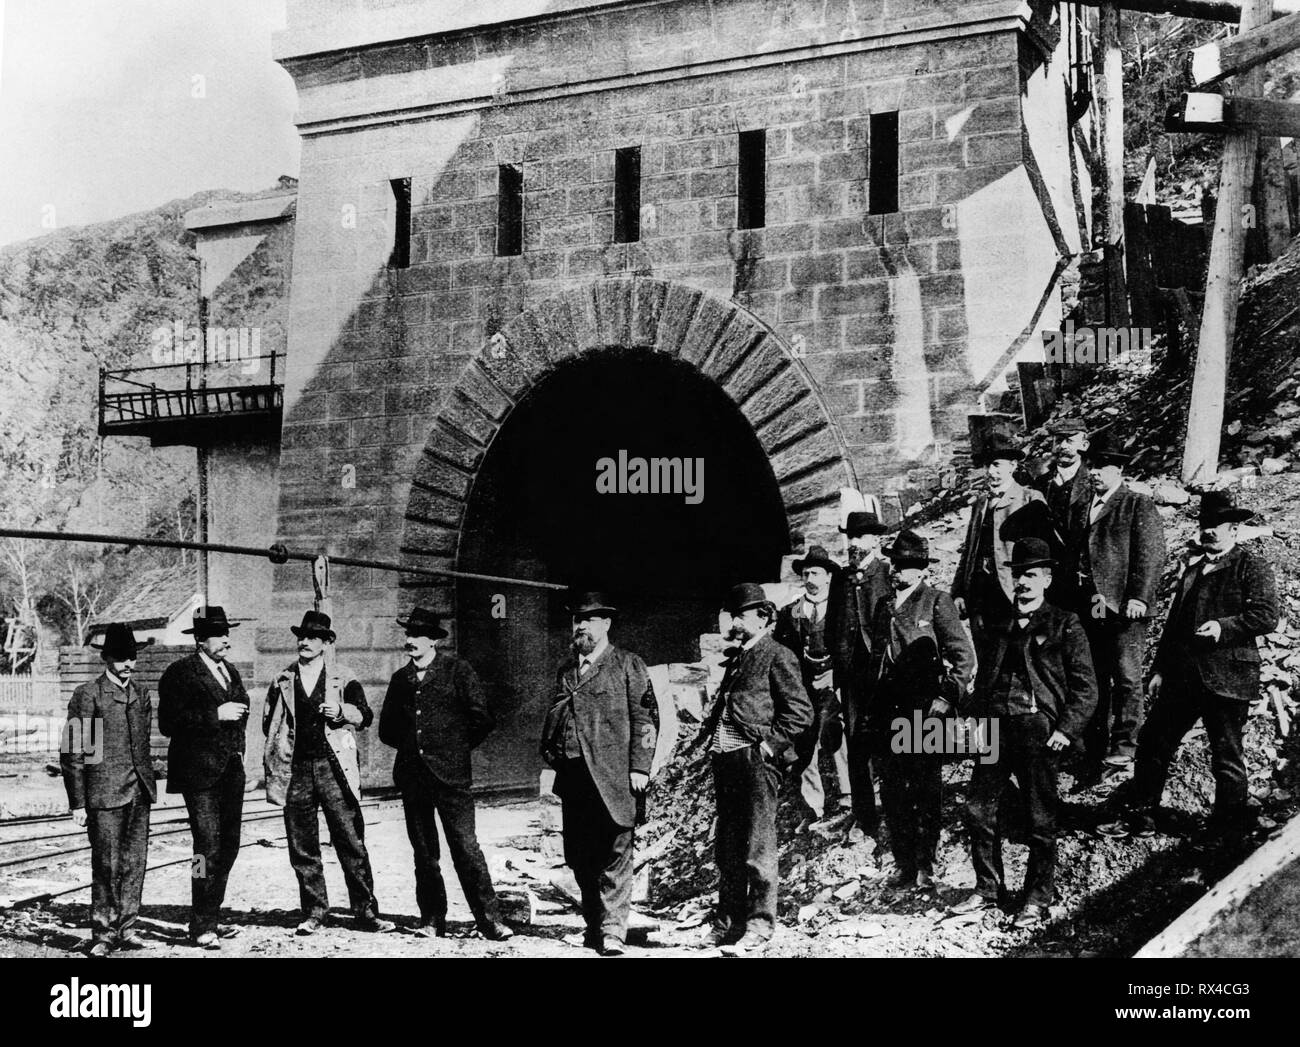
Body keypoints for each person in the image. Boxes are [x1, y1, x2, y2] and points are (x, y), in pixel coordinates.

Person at [1100, 491, 1279, 840]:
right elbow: (1175, 626)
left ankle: (1228, 828)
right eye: (1205, 525)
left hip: (1228, 677)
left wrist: (1223, 627)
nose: (1210, 531)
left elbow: (1265, 616)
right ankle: (1142, 817)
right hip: (1183, 678)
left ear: (1234, 529)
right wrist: (1159, 671)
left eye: (1218, 526)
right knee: (1153, 742)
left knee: (1226, 754)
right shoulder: (1194, 570)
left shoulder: (1251, 566)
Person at [948, 539, 1097, 928]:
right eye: (1018, 575)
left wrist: (1066, 729)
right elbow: (984, 683)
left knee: (1040, 818)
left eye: (1031, 575)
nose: (1023, 583)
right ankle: (987, 890)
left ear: (1047, 579)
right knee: (977, 810)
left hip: (1039, 730)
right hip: (995, 729)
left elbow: (1087, 688)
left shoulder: (1066, 623)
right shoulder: (999, 624)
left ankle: (1037, 898)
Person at [378, 607, 513, 941]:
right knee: (425, 854)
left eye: (418, 635)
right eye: (408, 635)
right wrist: (414, 750)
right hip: (413, 779)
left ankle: (489, 920)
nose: (410, 641)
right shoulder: (400, 679)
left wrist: (453, 749)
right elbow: (387, 731)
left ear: (433, 640)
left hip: (452, 779)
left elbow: (482, 718)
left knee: (466, 848)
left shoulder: (458, 671)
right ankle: (432, 920)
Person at [697, 583, 813, 955]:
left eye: (740, 615)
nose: (734, 622)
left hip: (756, 761)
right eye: (732, 614)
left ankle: (760, 925)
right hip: (727, 759)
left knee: (758, 845)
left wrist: (768, 747)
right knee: (728, 846)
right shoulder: (740, 656)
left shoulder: (777, 654)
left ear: (762, 617)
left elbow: (801, 712)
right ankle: (728, 923)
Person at [540, 593, 657, 956]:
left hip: (615, 776)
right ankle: (594, 925)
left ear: (606, 624)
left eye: (589, 619)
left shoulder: (627, 664)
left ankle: (613, 933)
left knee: (615, 854)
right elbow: (556, 717)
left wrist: (640, 765)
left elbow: (646, 719)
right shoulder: (566, 670)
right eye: (577, 619)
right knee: (579, 855)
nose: (581, 626)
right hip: (575, 778)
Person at [263, 610, 393, 935]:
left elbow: (365, 715)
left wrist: (340, 712)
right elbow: (270, 721)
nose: (305, 642)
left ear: (325, 643)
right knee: (302, 846)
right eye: (302, 636)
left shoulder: (342, 677)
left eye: (313, 637)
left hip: (333, 768)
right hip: (296, 771)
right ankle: (315, 912)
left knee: (350, 840)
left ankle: (365, 913)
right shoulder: (283, 680)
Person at [867, 531, 974, 892]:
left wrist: (947, 697)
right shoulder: (884, 606)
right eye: (896, 564)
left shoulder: (936, 602)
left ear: (920, 569)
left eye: (907, 565)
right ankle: (905, 865)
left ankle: (927, 863)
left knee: (926, 789)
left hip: (924, 711)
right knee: (894, 791)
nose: (898, 570)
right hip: (888, 711)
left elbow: (963, 657)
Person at [1068, 431, 1165, 773]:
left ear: (1119, 470)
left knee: (1125, 675)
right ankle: (1092, 747)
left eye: (1103, 466)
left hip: (1124, 605)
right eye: (1092, 465)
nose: (1094, 472)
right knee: (1093, 674)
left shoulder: (1136, 504)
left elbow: (1151, 555)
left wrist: (1139, 596)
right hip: (1091, 604)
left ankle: (1125, 744)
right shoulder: (1081, 506)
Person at [60, 623, 158, 957]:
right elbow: (74, 751)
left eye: (131, 657)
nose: (128, 663)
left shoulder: (141, 694)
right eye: (120, 657)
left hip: (138, 793)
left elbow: (142, 745)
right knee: (106, 865)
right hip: (104, 795)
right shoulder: (88, 694)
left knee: (135, 863)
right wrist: (77, 802)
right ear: (107, 659)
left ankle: (127, 927)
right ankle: (103, 932)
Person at [157, 606, 250, 949]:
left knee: (229, 846)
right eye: (218, 633)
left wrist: (239, 752)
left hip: (230, 773)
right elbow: (169, 722)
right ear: (200, 639)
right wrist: (215, 714)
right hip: (198, 777)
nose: (226, 639)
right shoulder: (180, 673)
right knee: (204, 849)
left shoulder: (231, 672)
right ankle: (199, 923)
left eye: (227, 633)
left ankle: (213, 915)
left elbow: (242, 713)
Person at [825, 509, 893, 841]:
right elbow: (830, 628)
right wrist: (838, 670)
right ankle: (865, 818)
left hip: (882, 674)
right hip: (851, 677)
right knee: (857, 747)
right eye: (850, 537)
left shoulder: (888, 573)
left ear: (874, 540)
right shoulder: (840, 578)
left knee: (891, 741)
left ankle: (896, 813)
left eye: (860, 537)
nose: (853, 543)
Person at [953, 432, 1050, 664]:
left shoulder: (1029, 498)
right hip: (979, 596)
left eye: (997, 465)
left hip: (1012, 591)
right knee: (986, 658)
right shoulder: (981, 502)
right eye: (988, 465)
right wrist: (958, 591)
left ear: (1013, 466)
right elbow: (969, 551)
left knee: (1017, 656)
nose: (991, 471)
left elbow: (1042, 551)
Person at [774, 545, 852, 832]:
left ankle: (847, 797)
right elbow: (782, 656)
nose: (810, 578)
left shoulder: (844, 608)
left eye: (816, 572)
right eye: (806, 573)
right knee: (803, 742)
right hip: (804, 690)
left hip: (836, 684)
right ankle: (813, 807)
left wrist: (836, 675)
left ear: (829, 576)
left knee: (837, 734)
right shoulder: (791, 613)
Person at [1032, 418, 1092, 607]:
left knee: (1096, 622)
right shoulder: (1040, 483)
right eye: (1058, 441)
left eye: (1070, 441)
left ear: (1084, 444)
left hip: (1086, 576)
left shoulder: (1094, 482)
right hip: (1052, 576)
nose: (1063, 446)